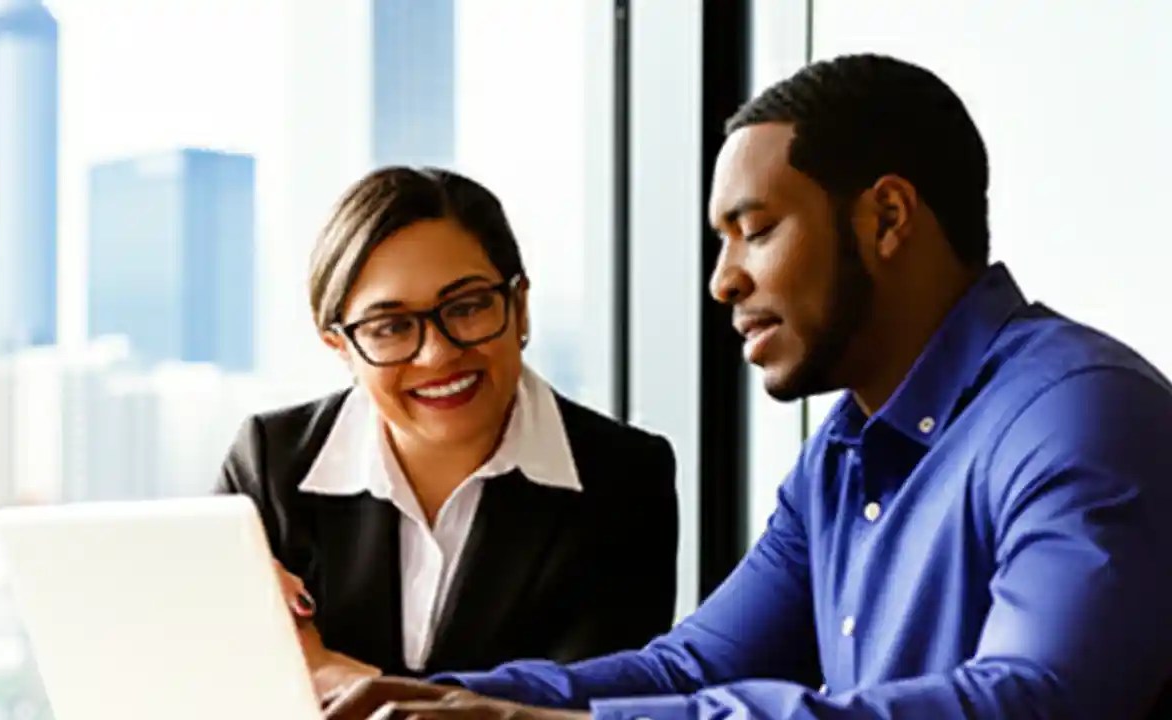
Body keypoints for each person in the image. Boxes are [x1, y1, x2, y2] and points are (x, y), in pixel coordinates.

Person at [319, 54, 1172, 719]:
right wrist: (434, 701)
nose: (723, 280)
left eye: (755, 230)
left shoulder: (1080, 410)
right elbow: (691, 667)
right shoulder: (840, 457)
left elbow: (1034, 701)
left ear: (886, 218)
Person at [215, 166, 679, 692]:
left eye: (467, 307)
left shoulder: (624, 478)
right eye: (390, 327)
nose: (437, 354)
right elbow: (211, 677)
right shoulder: (270, 463)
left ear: (520, 306)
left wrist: (343, 678)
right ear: (341, 347)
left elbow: (587, 709)